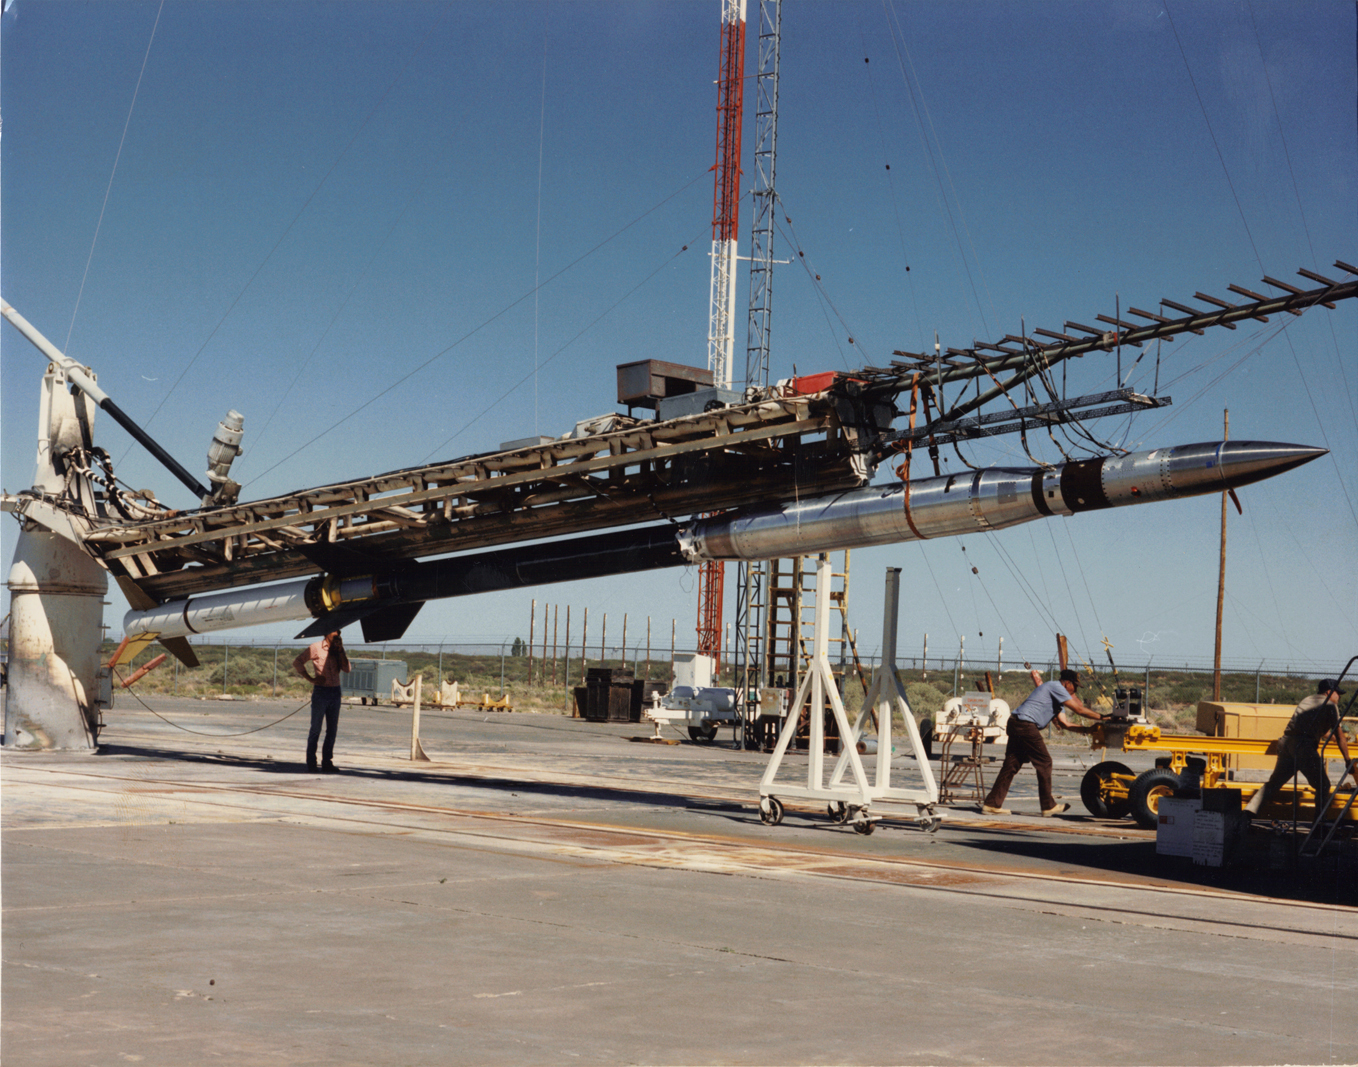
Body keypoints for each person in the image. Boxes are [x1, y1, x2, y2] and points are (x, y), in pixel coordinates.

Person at [982, 667, 1104, 816]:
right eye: (1075, 686)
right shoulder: (1056, 687)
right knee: (1044, 762)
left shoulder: (1057, 697)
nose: (1075, 691)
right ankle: (1048, 805)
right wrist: (1103, 717)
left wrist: (1088, 730)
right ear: (1066, 683)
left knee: (1011, 764)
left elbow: (1065, 724)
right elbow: (1079, 710)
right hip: (1025, 725)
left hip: (1016, 723)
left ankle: (991, 804)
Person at [1244, 679, 1355, 817]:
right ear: (1329, 692)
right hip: (1304, 747)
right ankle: (1319, 826)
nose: (1339, 697)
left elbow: (1312, 726)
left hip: (1287, 743)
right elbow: (1339, 736)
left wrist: (1329, 737)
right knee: (1323, 785)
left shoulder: (1308, 700)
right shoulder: (1330, 705)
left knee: (1273, 784)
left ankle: (1247, 814)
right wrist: (1347, 760)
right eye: (1338, 693)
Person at [293, 630, 351, 773]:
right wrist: (311, 679)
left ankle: (327, 762)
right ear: (326, 633)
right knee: (316, 729)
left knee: (332, 730)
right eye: (334, 631)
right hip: (321, 691)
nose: (337, 633)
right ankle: (311, 762)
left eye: (338, 631)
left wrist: (341, 651)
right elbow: (297, 662)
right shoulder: (316, 647)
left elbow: (347, 669)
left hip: (335, 692)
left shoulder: (338, 649)